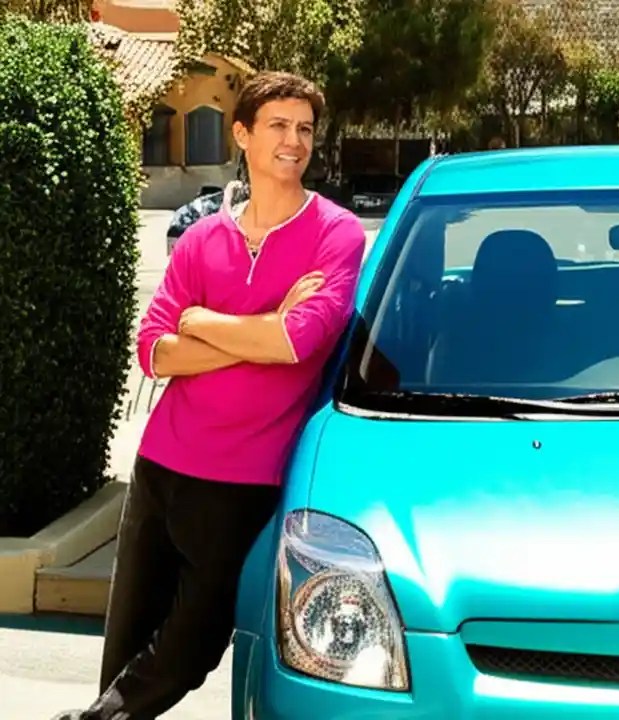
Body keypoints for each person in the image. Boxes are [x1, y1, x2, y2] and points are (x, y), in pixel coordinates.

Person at [55, 71, 366, 720]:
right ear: (243, 134)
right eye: (278, 126)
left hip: (242, 480)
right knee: (128, 646)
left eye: (305, 128)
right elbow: (153, 348)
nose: (294, 141)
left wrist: (202, 324)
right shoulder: (201, 238)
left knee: (193, 641)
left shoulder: (335, 235)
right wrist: (254, 329)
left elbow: (299, 342)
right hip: (161, 465)